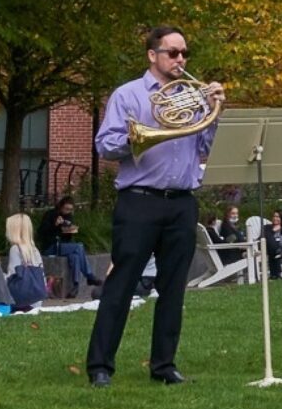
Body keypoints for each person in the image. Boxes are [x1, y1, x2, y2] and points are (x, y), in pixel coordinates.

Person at [84, 25, 223, 388]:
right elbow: (106, 146)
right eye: (173, 53)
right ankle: (100, 367)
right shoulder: (128, 95)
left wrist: (214, 108)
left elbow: (205, 145)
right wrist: (145, 130)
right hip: (139, 201)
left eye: (184, 54)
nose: (181, 60)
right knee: (121, 284)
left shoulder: (192, 97)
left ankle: (164, 366)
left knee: (174, 289)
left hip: (181, 204)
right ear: (153, 55)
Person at [38, 195, 98, 296]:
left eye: (70, 209)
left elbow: (66, 237)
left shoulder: (69, 217)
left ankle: (75, 286)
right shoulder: (51, 214)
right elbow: (42, 232)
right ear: (61, 206)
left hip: (63, 245)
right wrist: (55, 225)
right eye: (66, 209)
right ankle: (89, 276)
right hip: (50, 246)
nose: (68, 211)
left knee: (75, 257)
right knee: (79, 246)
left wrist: (70, 231)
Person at [3, 213, 49, 311]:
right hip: (36, 299)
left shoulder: (15, 249)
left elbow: (12, 276)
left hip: (21, 300)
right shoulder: (34, 249)